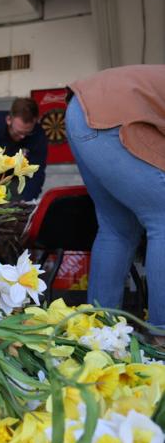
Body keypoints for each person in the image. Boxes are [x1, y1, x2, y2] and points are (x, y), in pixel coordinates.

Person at [66, 65, 165, 341]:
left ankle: (100, 332)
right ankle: (162, 338)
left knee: (117, 230)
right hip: (107, 117)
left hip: (80, 111)